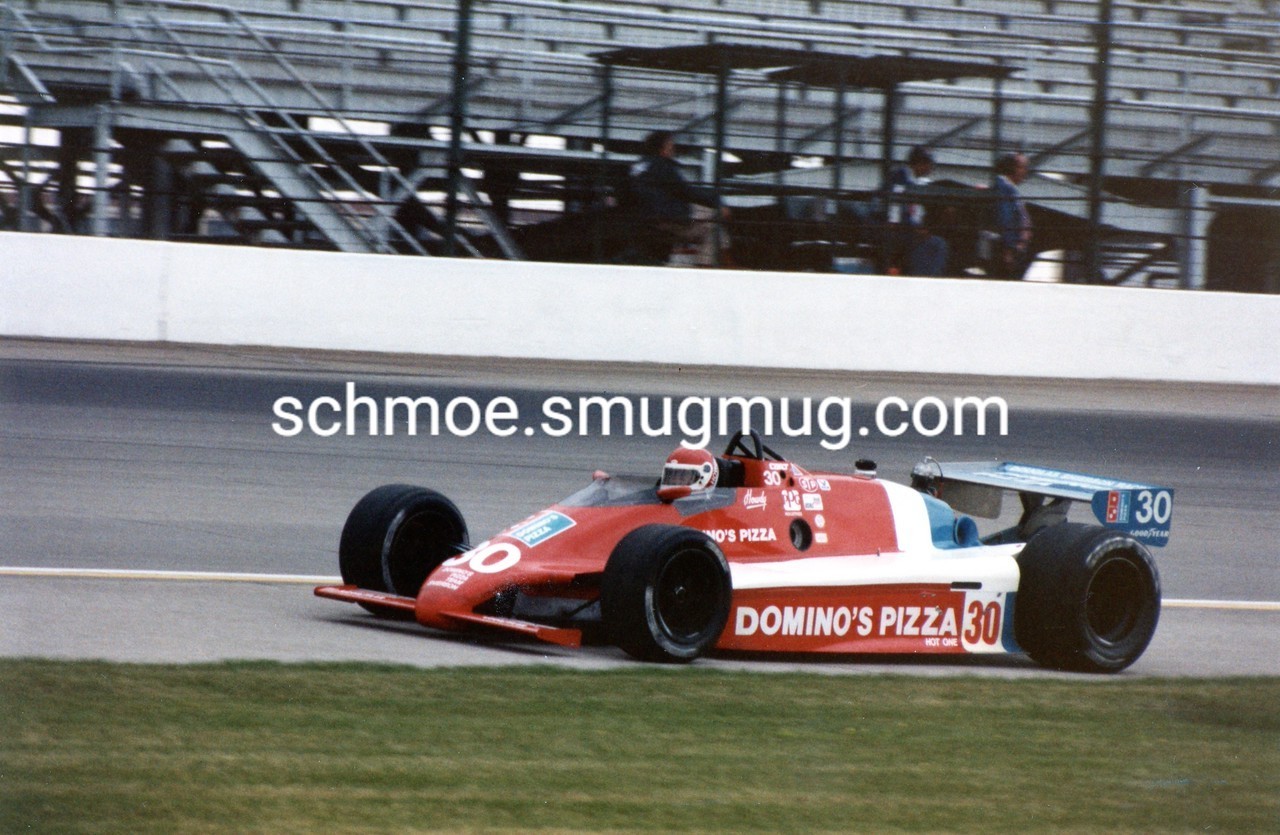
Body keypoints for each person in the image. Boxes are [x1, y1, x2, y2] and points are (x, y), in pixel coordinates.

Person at [625, 130, 728, 265]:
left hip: (643, 219)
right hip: (667, 219)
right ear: (662, 148)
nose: (673, 148)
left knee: (707, 216)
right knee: (715, 226)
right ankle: (706, 266)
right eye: (670, 145)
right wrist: (717, 202)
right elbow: (686, 191)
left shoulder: (636, 167)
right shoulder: (662, 165)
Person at [885, 146, 949, 277]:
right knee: (937, 245)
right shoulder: (899, 178)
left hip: (912, 229)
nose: (930, 169)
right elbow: (895, 212)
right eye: (928, 165)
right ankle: (926, 278)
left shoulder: (919, 181)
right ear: (918, 164)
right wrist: (915, 228)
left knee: (938, 241)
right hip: (900, 231)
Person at [992, 152, 1033, 279]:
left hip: (1014, 246)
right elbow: (1005, 219)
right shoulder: (1004, 189)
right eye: (1022, 167)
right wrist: (1009, 249)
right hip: (1009, 248)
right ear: (1011, 169)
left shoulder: (1009, 189)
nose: (1025, 172)